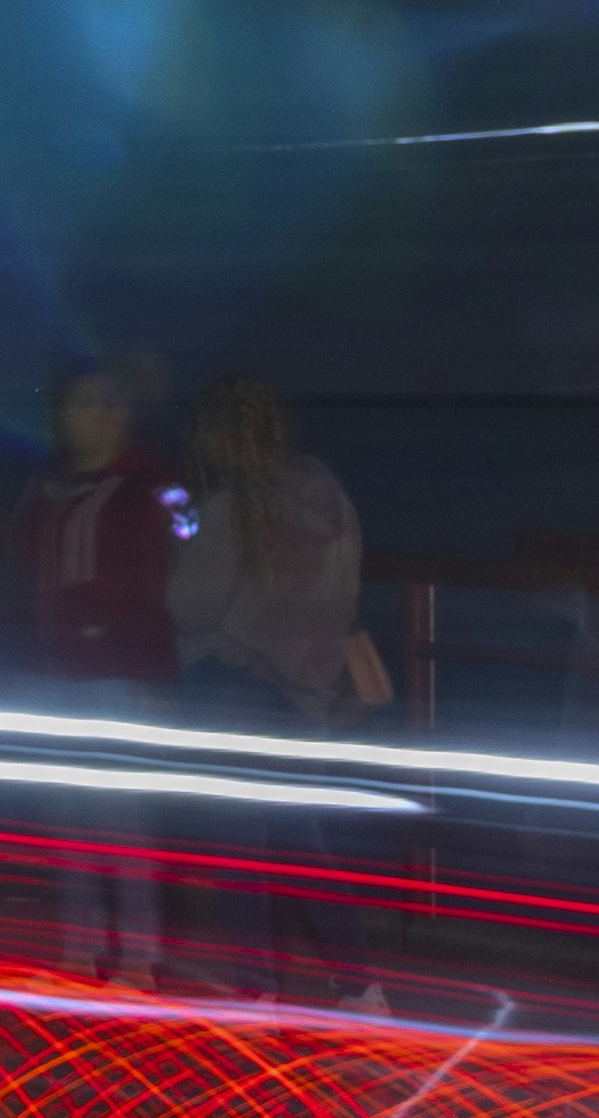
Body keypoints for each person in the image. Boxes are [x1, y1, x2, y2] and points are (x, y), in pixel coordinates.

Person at [167, 374, 377, 998]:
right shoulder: (330, 501)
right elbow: (345, 595)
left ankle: (256, 992)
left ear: (217, 436)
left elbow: (188, 606)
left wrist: (180, 539)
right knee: (301, 842)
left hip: (234, 685)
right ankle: (361, 987)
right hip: (306, 690)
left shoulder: (230, 508)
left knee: (240, 850)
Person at [19, 353, 183, 979]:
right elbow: (23, 573)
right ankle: (80, 949)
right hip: (53, 669)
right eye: (85, 402)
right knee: (67, 819)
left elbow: (190, 555)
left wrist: (157, 670)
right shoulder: (46, 486)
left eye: (111, 402)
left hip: (121, 672)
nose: (100, 414)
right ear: (62, 415)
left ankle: (140, 957)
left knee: (122, 821)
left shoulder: (156, 482)